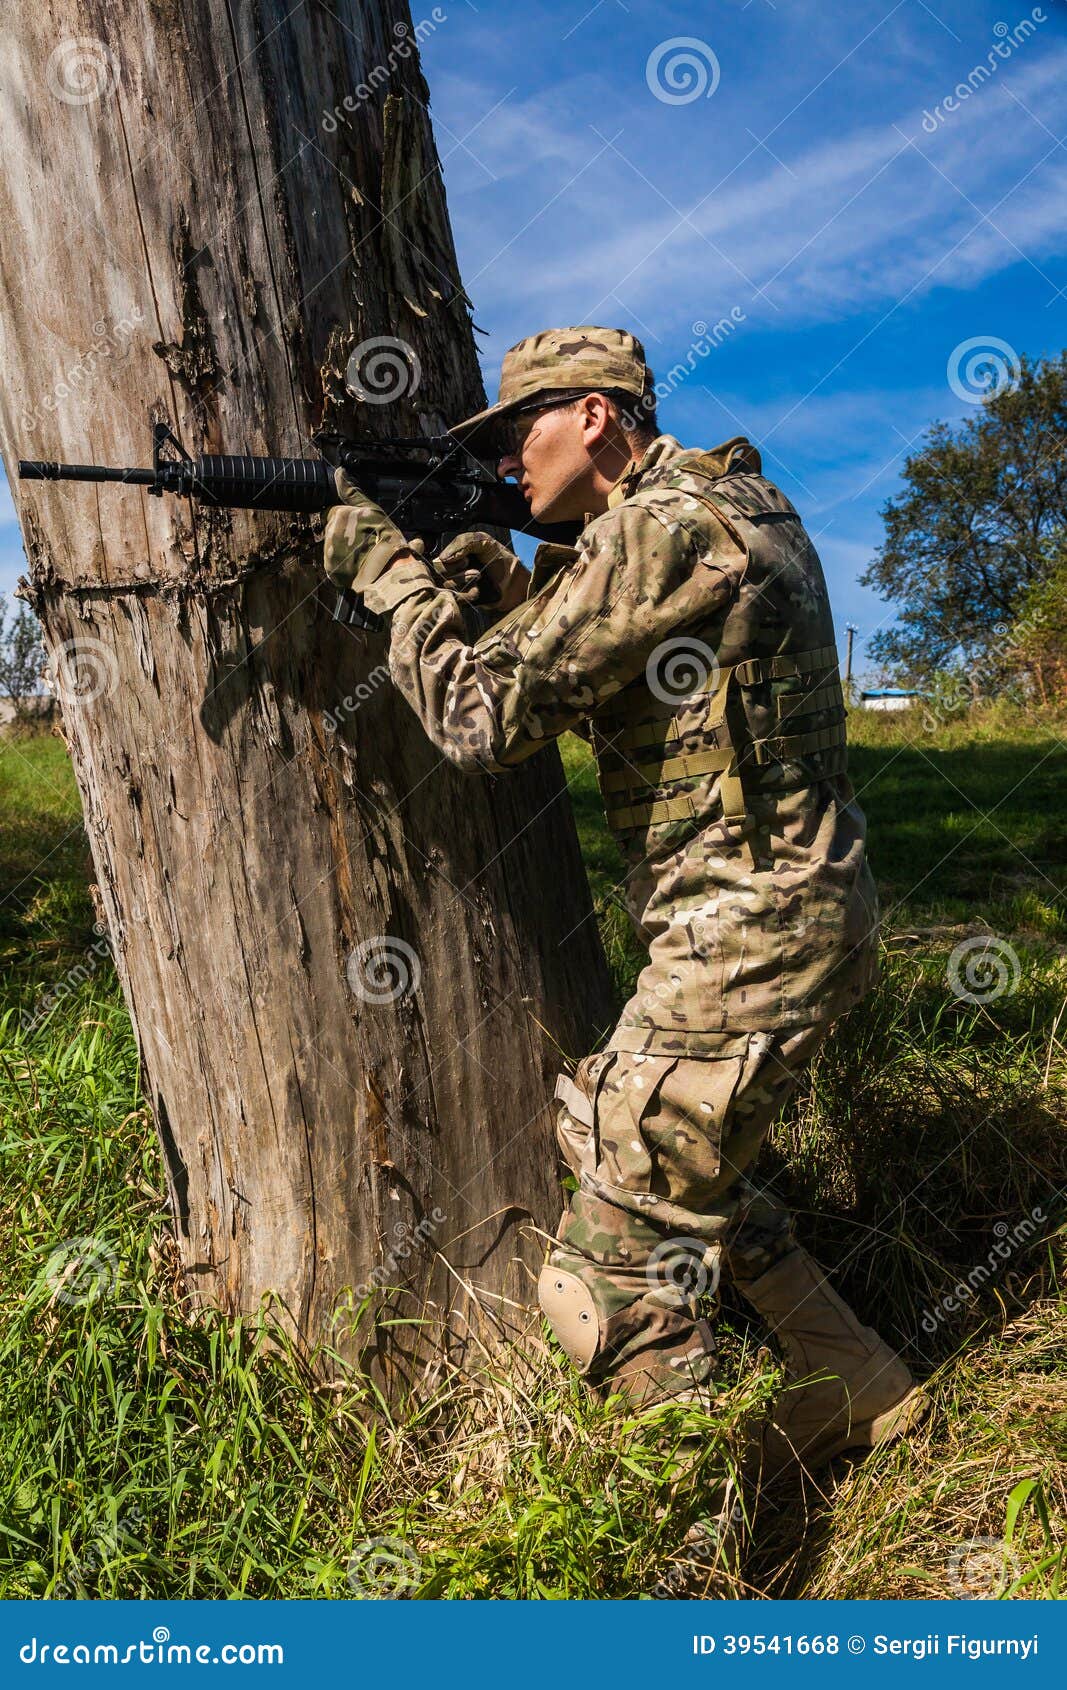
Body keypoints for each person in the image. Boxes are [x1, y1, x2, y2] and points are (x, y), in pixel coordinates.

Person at [320, 325, 924, 1479]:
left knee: (600, 1283)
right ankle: (848, 1382)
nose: (507, 464)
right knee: (614, 1131)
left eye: (517, 431)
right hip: (785, 923)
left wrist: (391, 581)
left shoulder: (655, 529)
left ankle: (687, 1532)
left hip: (742, 941)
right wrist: (510, 589)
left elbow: (480, 722)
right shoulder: (727, 503)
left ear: (593, 416)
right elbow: (627, 667)